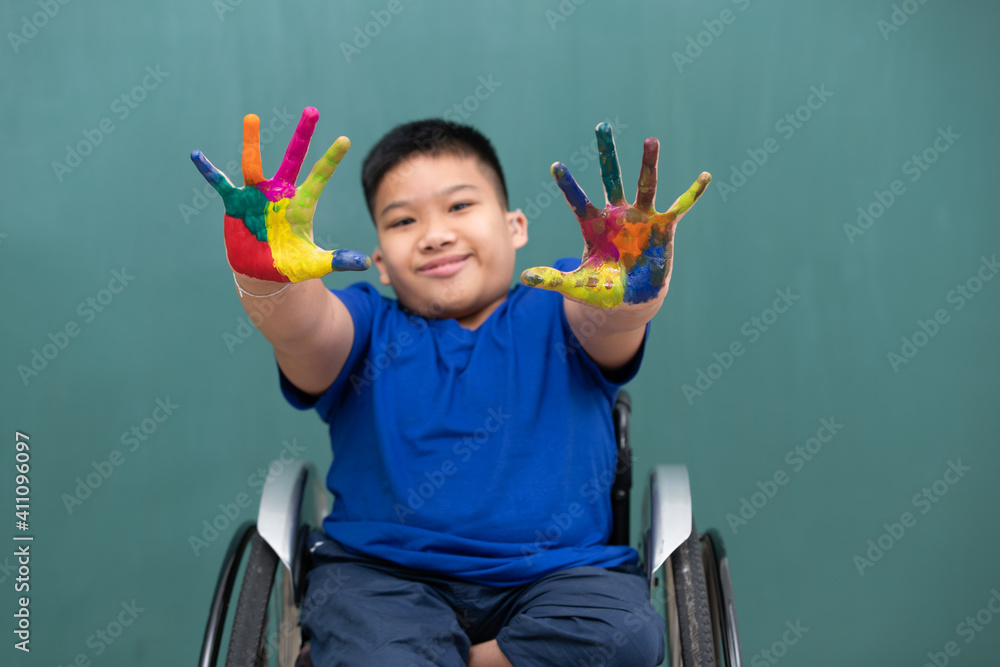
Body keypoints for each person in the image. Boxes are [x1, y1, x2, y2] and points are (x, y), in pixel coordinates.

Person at [191, 107, 710, 666]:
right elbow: (304, 329)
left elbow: (609, 321)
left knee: (624, 635)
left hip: (560, 577)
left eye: (460, 206)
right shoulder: (365, 327)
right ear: (381, 263)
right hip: (381, 580)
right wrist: (266, 279)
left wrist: (633, 297)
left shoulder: (564, 304)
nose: (436, 235)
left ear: (515, 227)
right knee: (379, 645)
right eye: (402, 222)